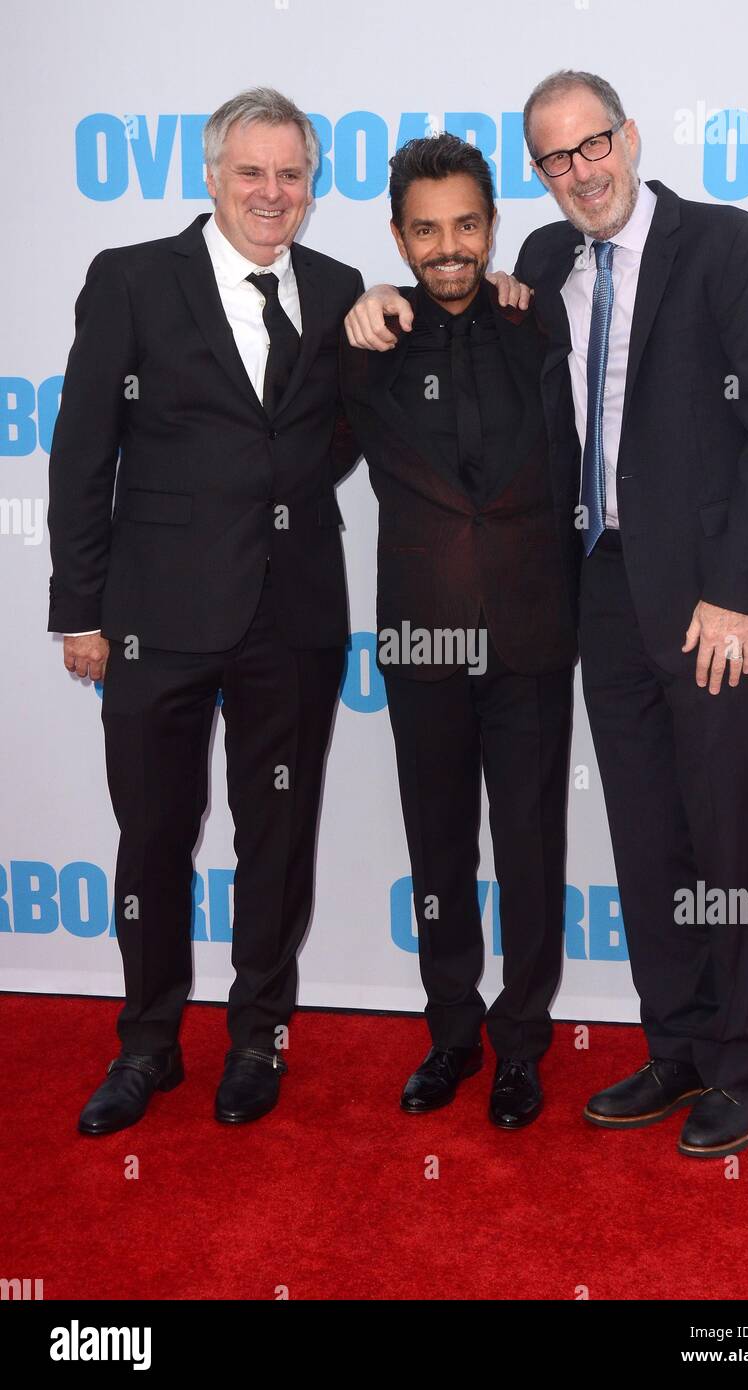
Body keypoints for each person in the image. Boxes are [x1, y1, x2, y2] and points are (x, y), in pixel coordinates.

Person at [345, 71, 748, 1157]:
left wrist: (737, 589)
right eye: (552, 160)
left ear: (628, 137)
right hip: (599, 592)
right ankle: (676, 1044)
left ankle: (738, 1064)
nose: (577, 172)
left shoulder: (726, 246)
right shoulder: (546, 265)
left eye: (590, 146)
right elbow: (460, 312)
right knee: (647, 838)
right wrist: (371, 299)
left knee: (722, 843)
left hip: (713, 606)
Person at [48, 87, 363, 1134]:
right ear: (213, 176)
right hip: (153, 618)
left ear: (311, 188)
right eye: (251, 173)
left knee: (276, 836)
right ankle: (146, 1044)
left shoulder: (336, 287)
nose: (272, 193)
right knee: (153, 837)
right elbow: (83, 452)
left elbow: (332, 433)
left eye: (291, 175)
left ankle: (256, 1035)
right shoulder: (133, 279)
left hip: (294, 616)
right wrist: (78, 610)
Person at [340, 134, 580, 1128]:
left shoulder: (538, 319)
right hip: (424, 639)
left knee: (528, 849)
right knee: (437, 849)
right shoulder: (363, 345)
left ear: (491, 227)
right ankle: (450, 1031)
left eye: (466, 224)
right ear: (399, 235)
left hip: (527, 630)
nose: (448, 247)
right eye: (426, 229)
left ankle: (521, 1043)